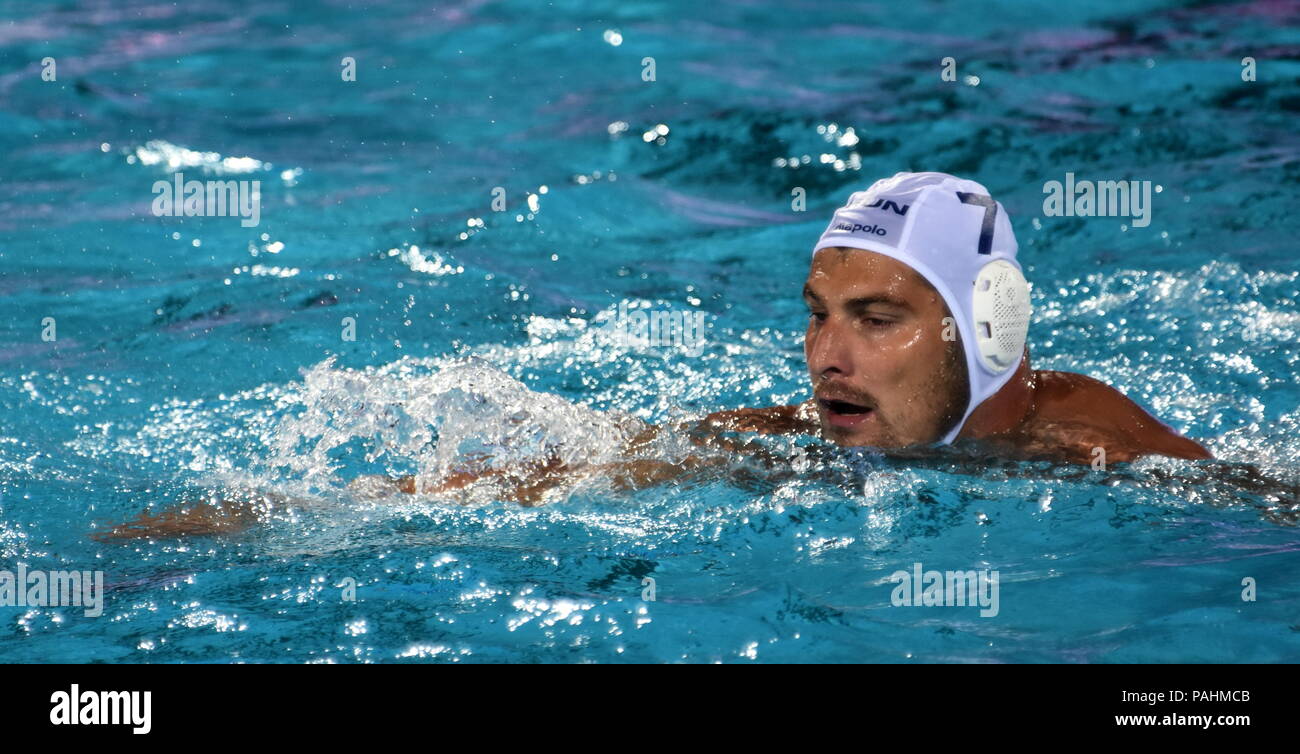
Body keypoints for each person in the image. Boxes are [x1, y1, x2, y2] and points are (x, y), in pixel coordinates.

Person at [95, 171, 1220, 540]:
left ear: (990, 332)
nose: (827, 355)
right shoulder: (799, 447)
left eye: (875, 318)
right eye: (816, 313)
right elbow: (556, 481)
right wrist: (287, 515)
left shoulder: (1096, 452)